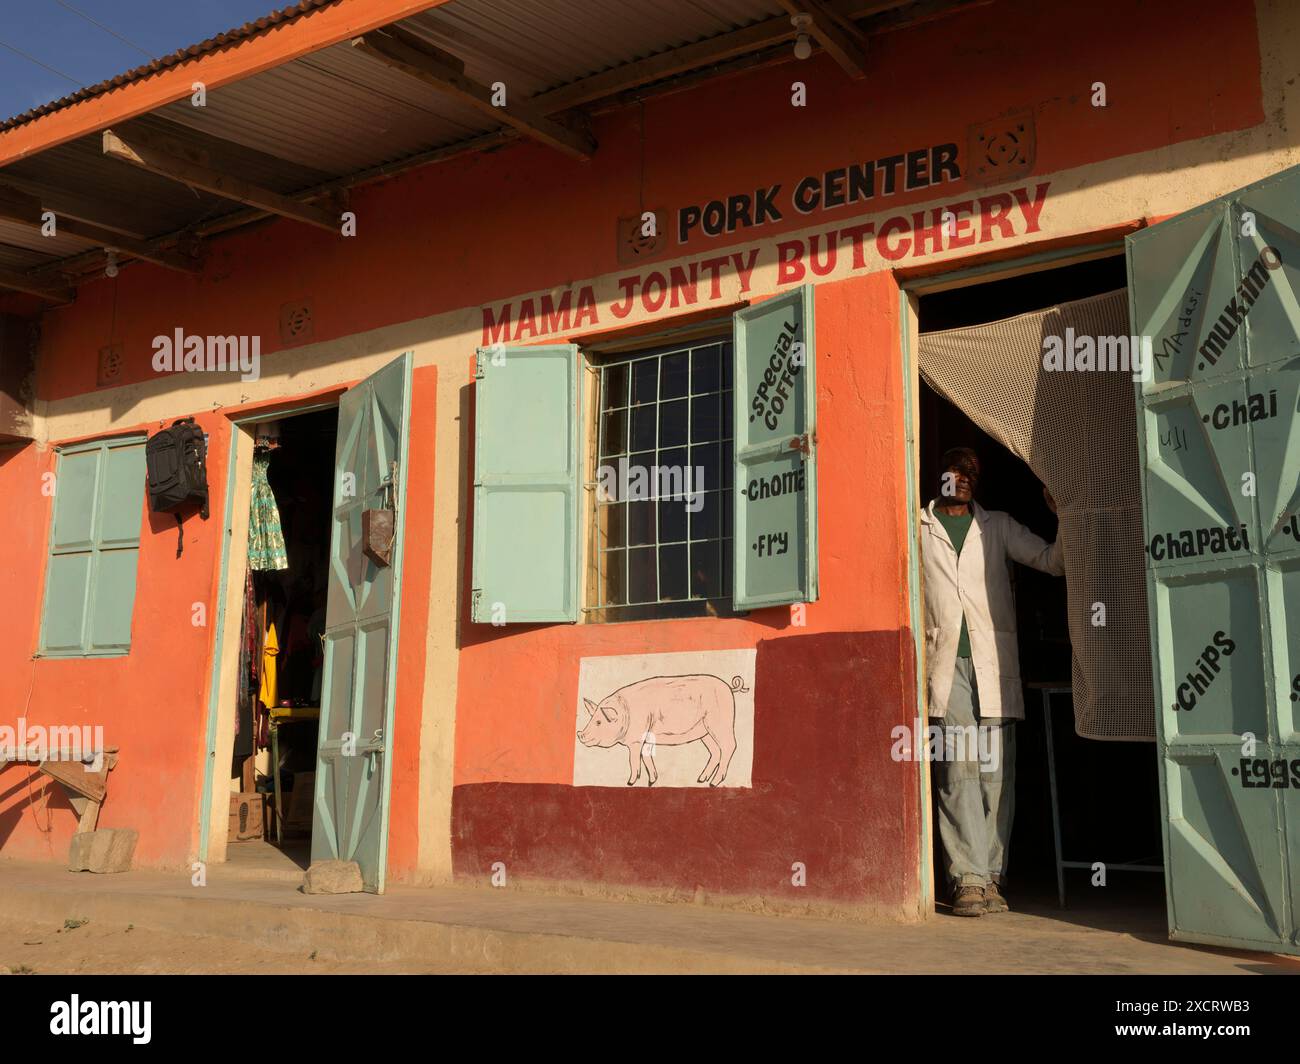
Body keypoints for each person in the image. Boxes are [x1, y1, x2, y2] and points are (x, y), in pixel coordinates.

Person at [920, 446, 1064, 916]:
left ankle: (992, 878)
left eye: (970, 472)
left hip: (994, 666)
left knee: (996, 779)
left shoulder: (997, 526)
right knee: (957, 772)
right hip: (946, 667)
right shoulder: (915, 529)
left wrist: (1066, 515)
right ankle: (966, 879)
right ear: (937, 475)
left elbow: (1051, 561)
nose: (961, 478)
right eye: (954, 469)